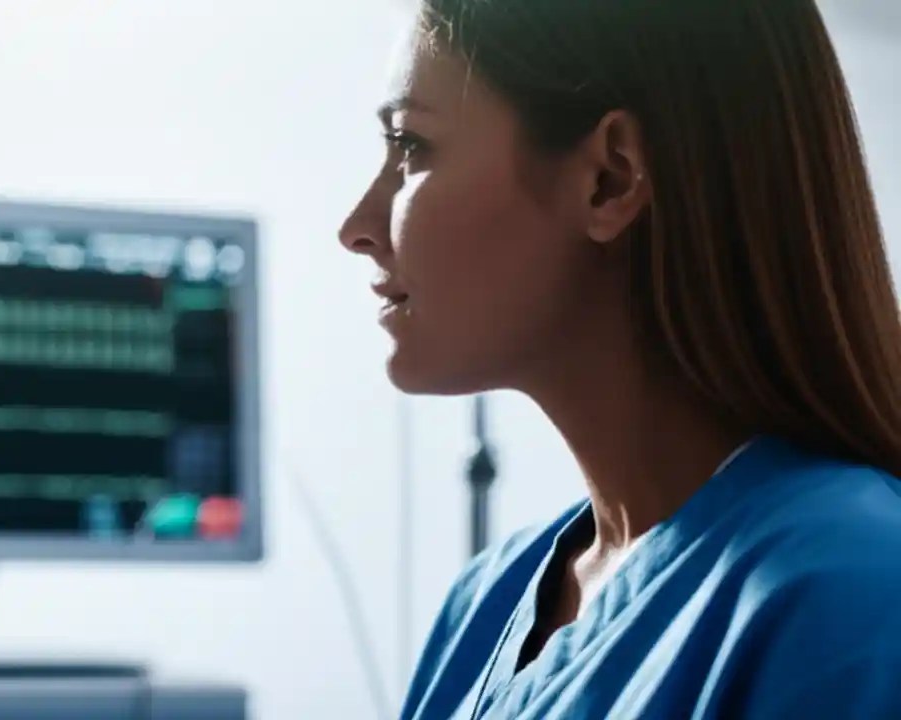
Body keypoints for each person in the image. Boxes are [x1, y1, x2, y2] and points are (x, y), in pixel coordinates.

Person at [338, 1, 901, 718]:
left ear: (610, 177)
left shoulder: (851, 596)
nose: (356, 226)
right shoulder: (481, 606)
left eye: (411, 145)